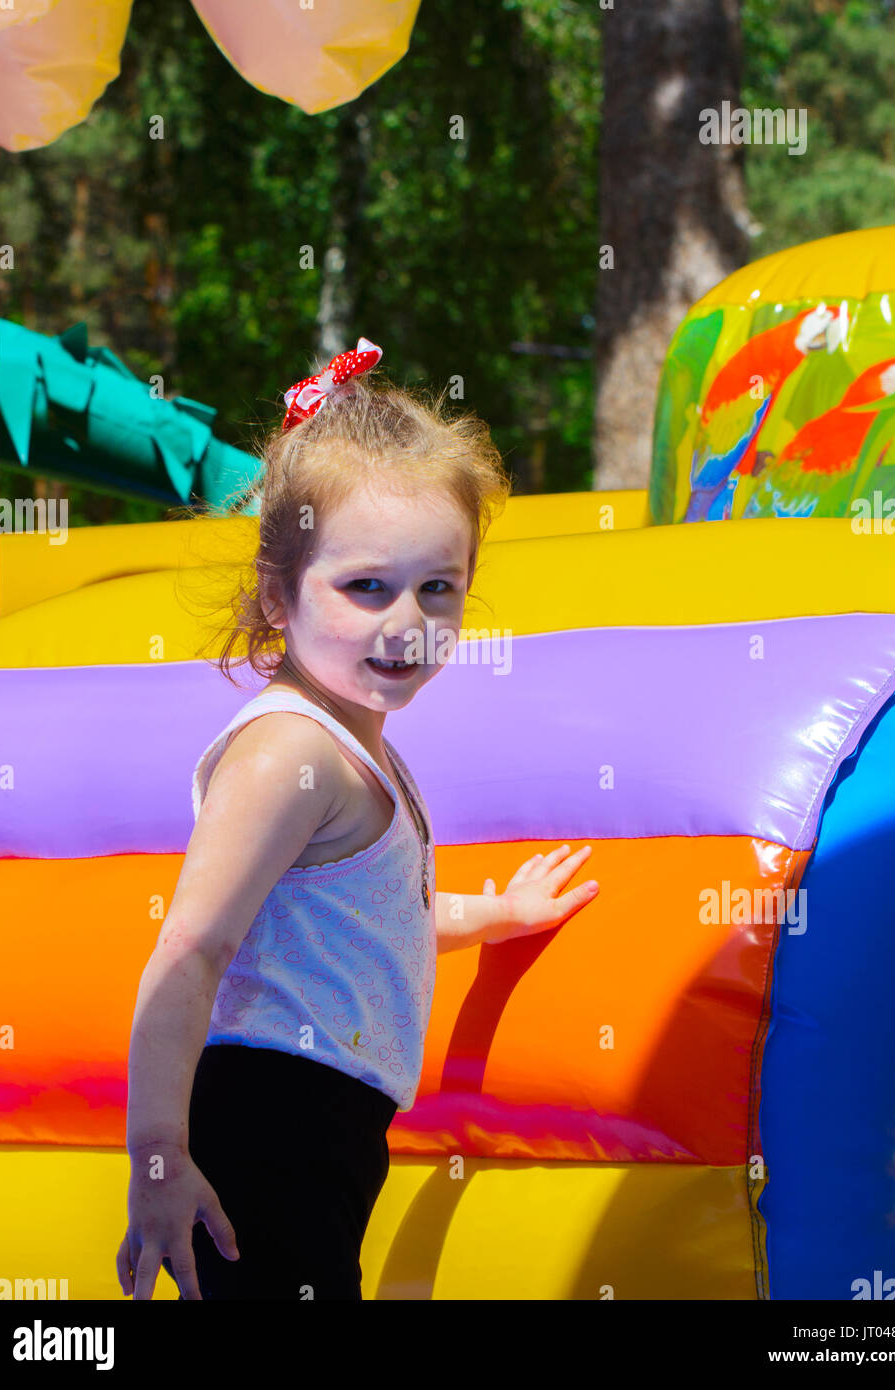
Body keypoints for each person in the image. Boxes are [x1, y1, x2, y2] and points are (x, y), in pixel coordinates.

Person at [116, 338, 601, 1301]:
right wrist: (160, 1156)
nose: (407, 619)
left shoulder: (355, 744)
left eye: (439, 587)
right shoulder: (290, 752)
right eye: (366, 586)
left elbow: (366, 917)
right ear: (276, 593)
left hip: (330, 1129)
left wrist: (492, 916)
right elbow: (189, 955)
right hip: (268, 1123)